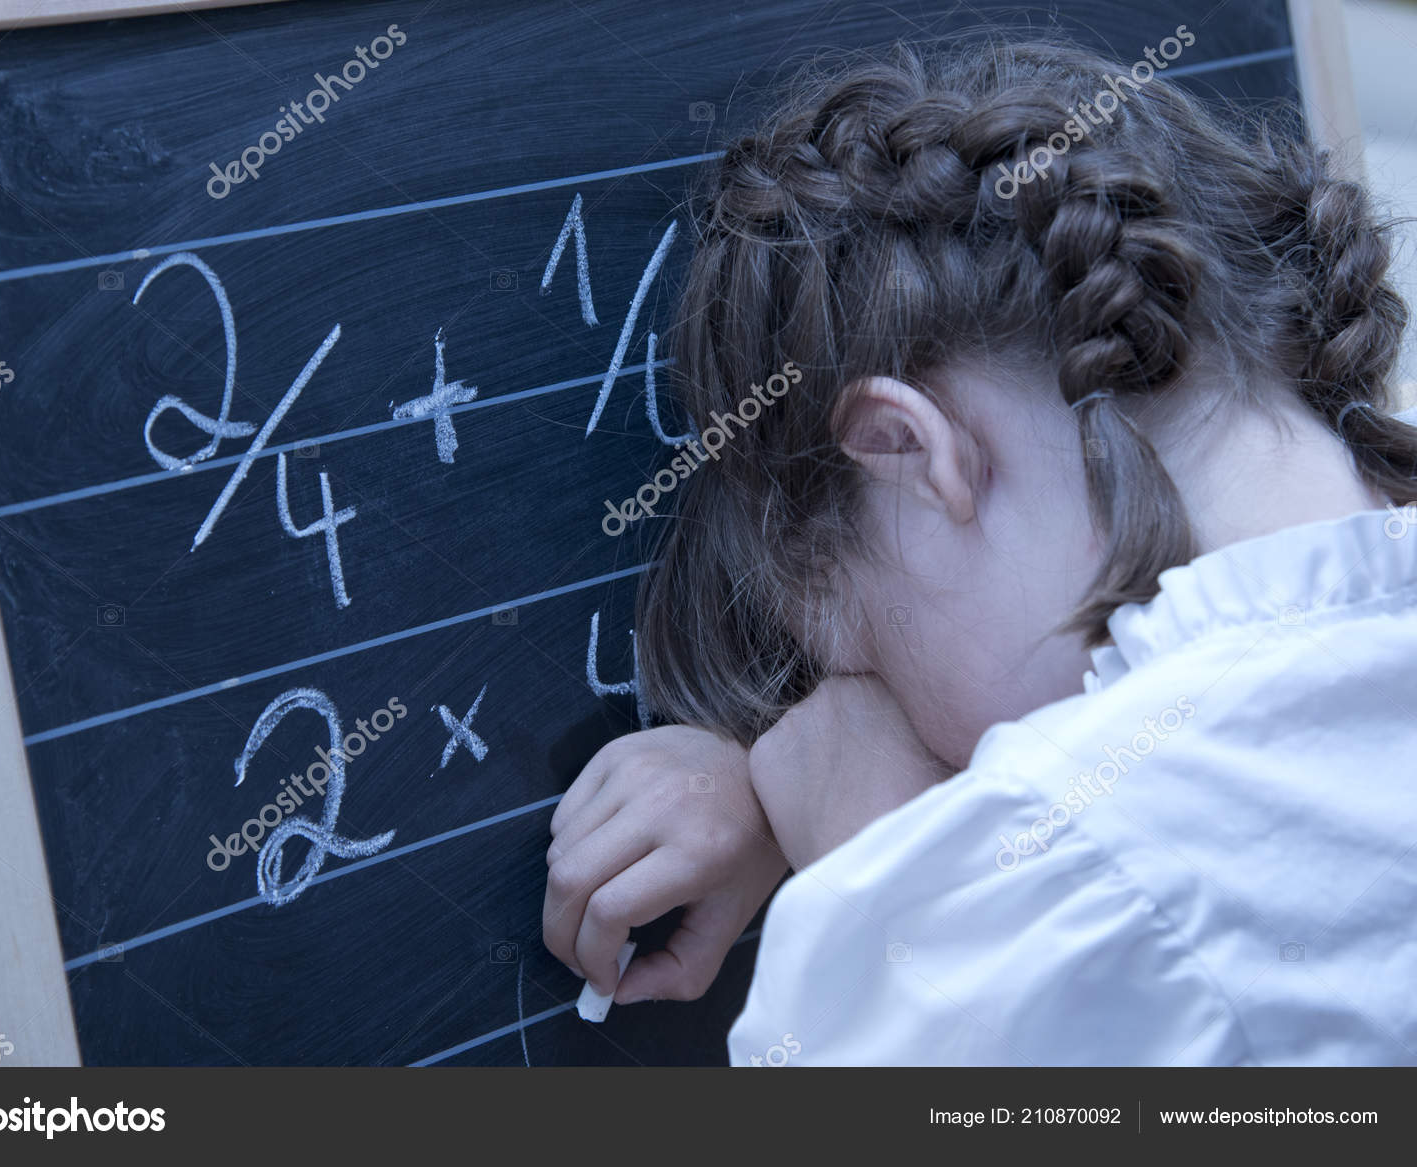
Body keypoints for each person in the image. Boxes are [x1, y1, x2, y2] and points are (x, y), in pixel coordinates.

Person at [541, 35, 1417, 1064]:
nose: (903, 727)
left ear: (909, 453)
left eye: (860, 662)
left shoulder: (1050, 913)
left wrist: (892, 882)